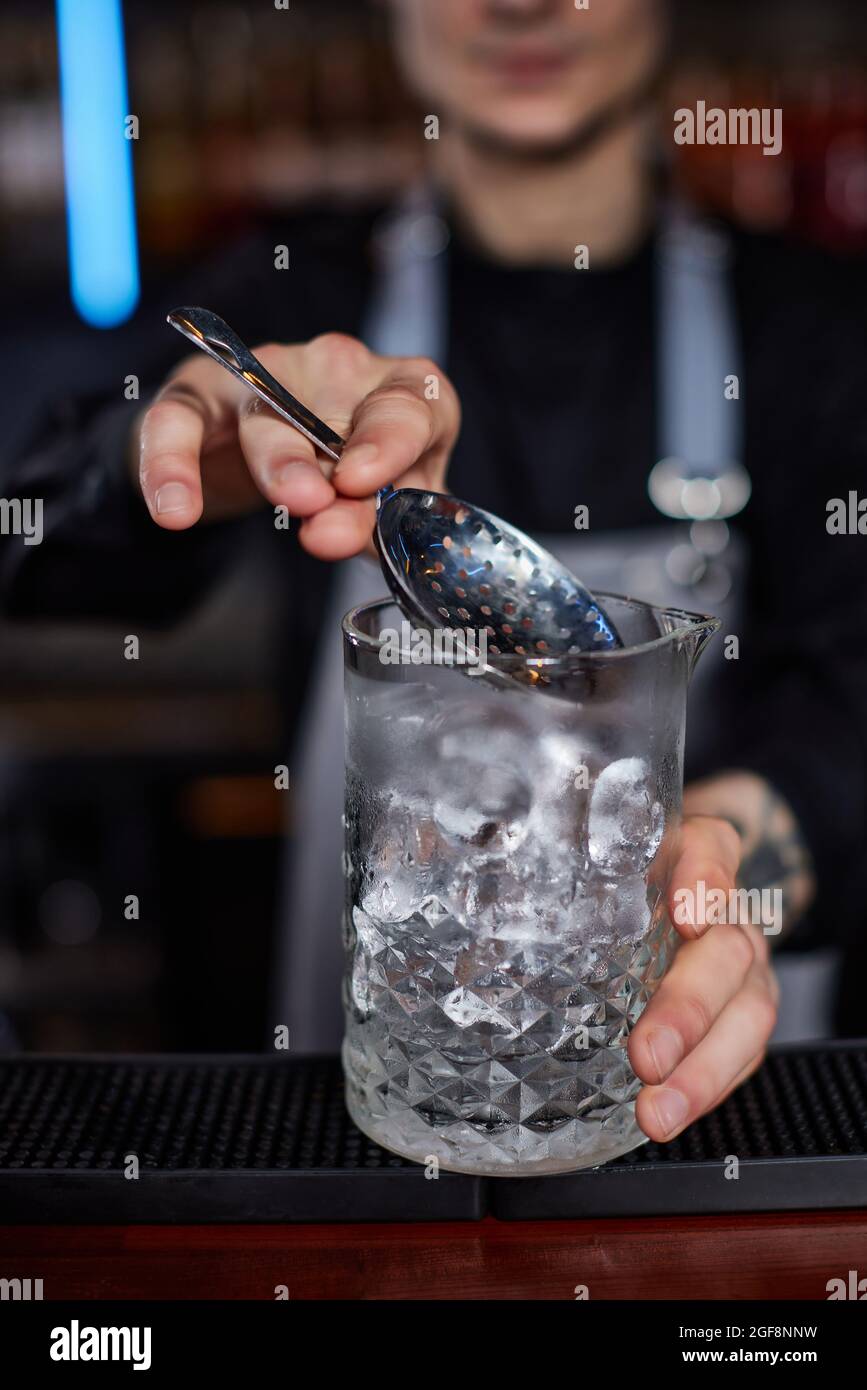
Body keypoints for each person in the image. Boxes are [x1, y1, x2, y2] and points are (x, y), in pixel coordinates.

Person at [3, 0, 866, 1146]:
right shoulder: (298, 295)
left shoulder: (815, 331)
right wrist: (158, 457)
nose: (519, 4)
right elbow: (31, 535)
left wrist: (728, 855)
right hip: (373, 1119)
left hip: (693, 1122)